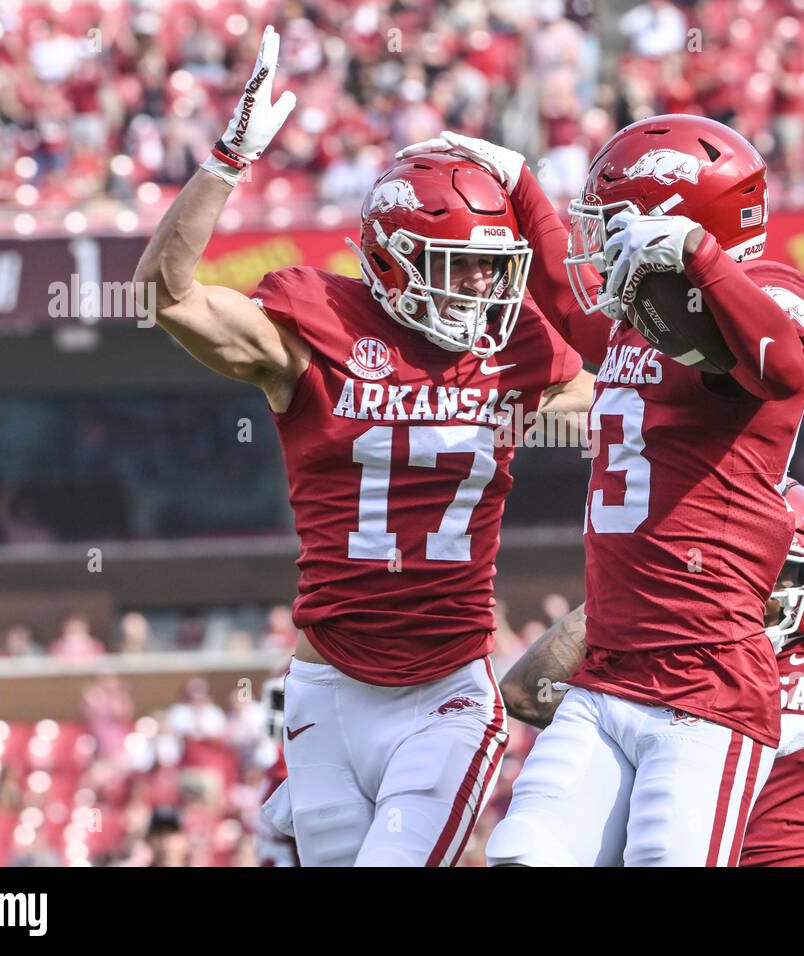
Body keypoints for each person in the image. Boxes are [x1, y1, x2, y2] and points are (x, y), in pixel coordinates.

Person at [404, 117, 804, 865]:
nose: (599, 239)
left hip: (705, 683)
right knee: (522, 855)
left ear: (679, 219)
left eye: (618, 222)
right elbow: (572, 299)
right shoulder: (639, 323)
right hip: (610, 669)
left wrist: (694, 253)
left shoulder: (774, 288)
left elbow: (772, 366)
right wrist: (523, 187)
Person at [133, 27, 594, 867]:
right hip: (324, 693)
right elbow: (166, 296)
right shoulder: (317, 325)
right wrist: (226, 162)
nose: (483, 288)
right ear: (391, 257)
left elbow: (634, 382)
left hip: (447, 693)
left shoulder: (517, 348)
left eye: (492, 268)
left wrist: (531, 196)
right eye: (458, 266)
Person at [497, 481, 804, 868]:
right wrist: (632, 587)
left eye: (773, 572)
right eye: (737, 569)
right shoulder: (666, 652)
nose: (753, 591)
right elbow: (527, 694)